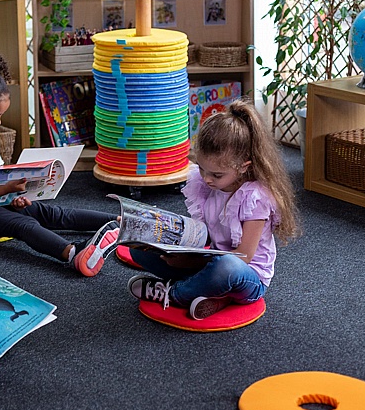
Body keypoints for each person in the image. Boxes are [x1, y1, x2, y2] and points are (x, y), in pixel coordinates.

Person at [0, 46, 119, 276]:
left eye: (0, 116)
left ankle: (117, 222)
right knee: (22, 224)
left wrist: (14, 194)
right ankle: (72, 254)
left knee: (48, 213)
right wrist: (5, 190)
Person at [127, 97, 299, 319]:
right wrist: (163, 234)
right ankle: (210, 294)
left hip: (247, 276)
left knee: (225, 268)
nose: (207, 179)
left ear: (243, 166)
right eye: (202, 169)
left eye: (216, 174)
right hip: (208, 262)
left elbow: (243, 257)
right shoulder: (208, 185)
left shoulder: (256, 198)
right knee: (140, 249)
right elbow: (204, 237)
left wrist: (191, 261)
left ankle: (174, 292)